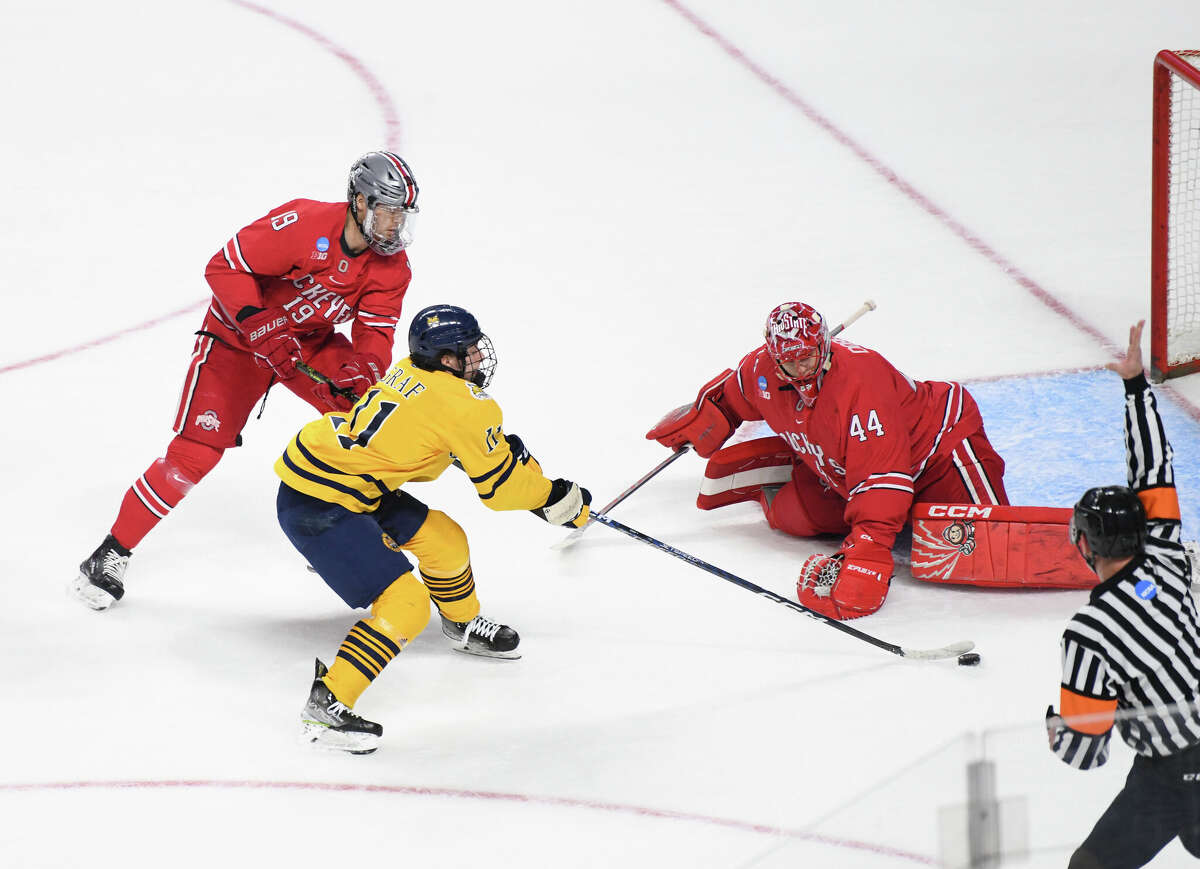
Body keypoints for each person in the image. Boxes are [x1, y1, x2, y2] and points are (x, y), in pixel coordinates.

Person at [72, 151, 420, 611]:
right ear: (359, 202)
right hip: (237, 342)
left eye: (402, 215)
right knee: (195, 454)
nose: (395, 226)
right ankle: (110, 553)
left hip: (306, 344)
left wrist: (365, 369)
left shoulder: (392, 268)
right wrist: (257, 320)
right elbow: (223, 266)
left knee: (369, 421)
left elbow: (375, 332)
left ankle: (340, 536)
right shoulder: (304, 223)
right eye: (388, 212)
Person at [276, 304, 591, 754]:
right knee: (407, 604)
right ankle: (326, 705)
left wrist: (500, 459)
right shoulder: (465, 407)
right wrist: (554, 497)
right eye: (469, 351)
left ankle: (461, 624)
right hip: (320, 504)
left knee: (445, 538)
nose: (478, 357)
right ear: (446, 359)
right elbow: (499, 491)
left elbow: (436, 440)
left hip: (345, 481)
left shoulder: (410, 370)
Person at [646, 301, 1008, 620]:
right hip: (845, 466)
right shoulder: (760, 369)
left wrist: (867, 551)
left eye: (807, 358)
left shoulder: (862, 381)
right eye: (789, 362)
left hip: (936, 452)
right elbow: (735, 395)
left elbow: (881, 478)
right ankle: (792, 467)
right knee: (797, 515)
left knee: (987, 548)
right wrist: (710, 414)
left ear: (824, 345)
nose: (801, 369)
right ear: (773, 356)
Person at [1045, 320, 1200, 869]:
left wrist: (1056, 724)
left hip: (1172, 774)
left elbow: (1084, 750)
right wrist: (1136, 387)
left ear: (1086, 545)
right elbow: (1154, 467)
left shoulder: (1091, 633)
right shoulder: (1167, 555)